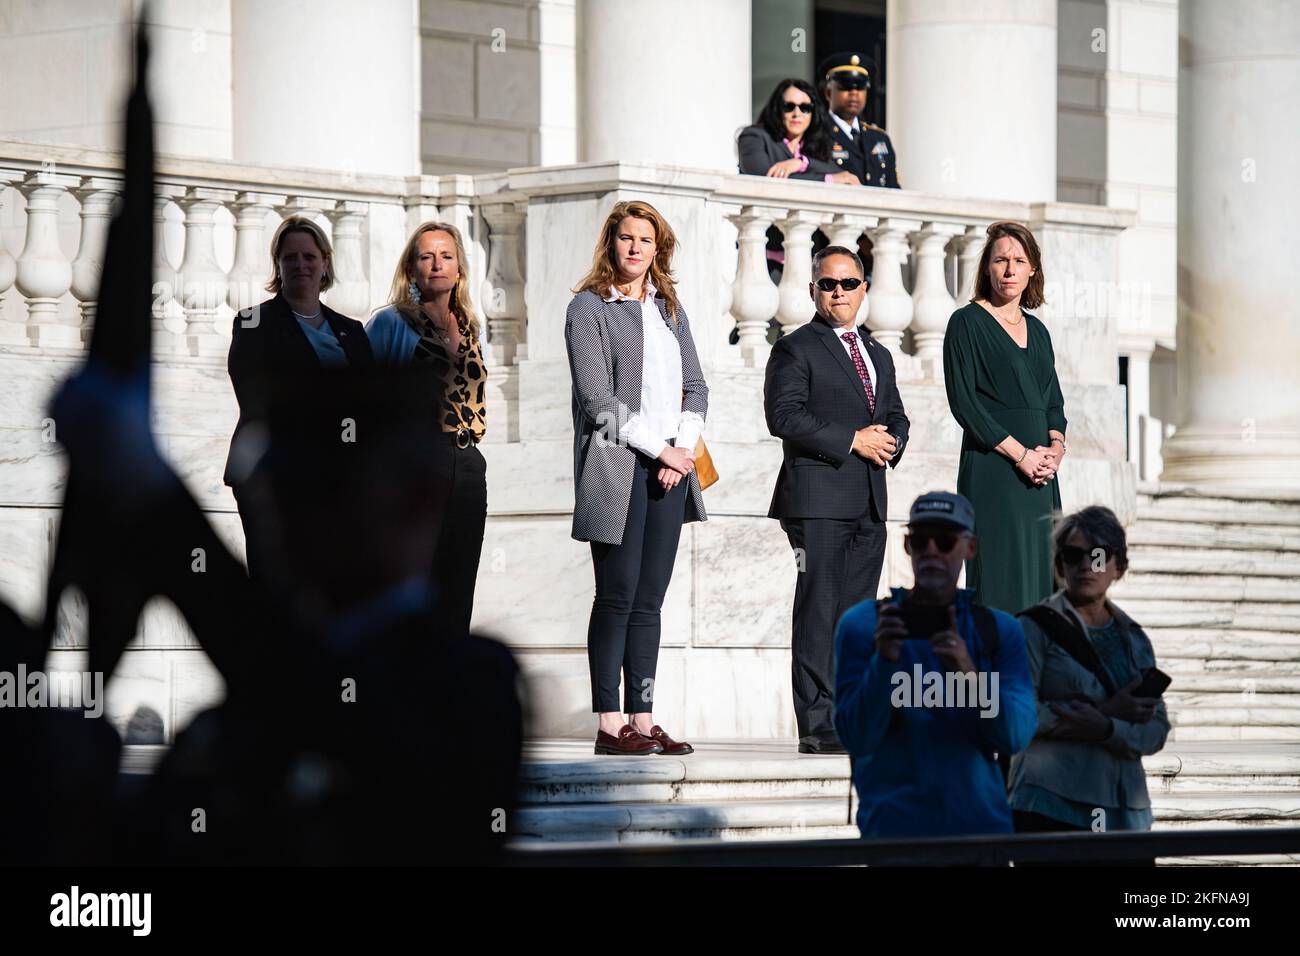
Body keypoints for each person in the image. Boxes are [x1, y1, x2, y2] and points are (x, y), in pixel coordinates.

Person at [565, 200, 707, 757]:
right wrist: (662, 450)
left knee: (650, 600)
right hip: (617, 467)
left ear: (658, 248)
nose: (634, 248)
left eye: (645, 240)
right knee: (617, 595)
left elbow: (696, 385)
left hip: (670, 473)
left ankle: (643, 721)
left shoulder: (670, 307)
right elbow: (597, 399)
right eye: (625, 238)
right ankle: (609, 722)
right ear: (611, 243)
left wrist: (684, 451)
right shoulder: (589, 307)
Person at [764, 245, 910, 754]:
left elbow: (895, 414)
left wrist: (892, 439)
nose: (840, 293)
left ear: (864, 289)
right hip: (818, 500)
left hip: (870, 500)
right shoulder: (795, 348)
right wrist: (854, 439)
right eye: (829, 284)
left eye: (849, 283)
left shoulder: (879, 353)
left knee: (857, 619)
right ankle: (818, 725)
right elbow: (784, 417)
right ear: (813, 290)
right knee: (819, 610)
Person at [833, 492, 1037, 838]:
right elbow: (856, 737)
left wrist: (970, 675)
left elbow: (1016, 736)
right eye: (920, 540)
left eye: (944, 541)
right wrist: (884, 662)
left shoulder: (999, 630)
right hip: (895, 836)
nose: (931, 551)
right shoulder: (863, 625)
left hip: (981, 835)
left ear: (969, 548)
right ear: (908, 546)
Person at [1009, 506, 1169, 854]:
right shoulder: (1032, 628)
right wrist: (1106, 710)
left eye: (1098, 555)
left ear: (1118, 567)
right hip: (1051, 804)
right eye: (1073, 555)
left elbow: (1157, 729)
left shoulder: (1135, 639)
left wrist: (1106, 727)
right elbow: (1015, 713)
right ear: (1060, 564)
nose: (1086, 565)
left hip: (1124, 813)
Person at [224, 215, 375, 580]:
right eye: (290, 257)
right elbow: (258, 397)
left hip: (339, 482)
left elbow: (371, 402)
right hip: (273, 477)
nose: (300, 265)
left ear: (325, 262)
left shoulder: (351, 331)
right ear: (278, 263)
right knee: (278, 590)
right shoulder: (252, 322)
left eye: (309, 256)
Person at [366, 221, 488, 638]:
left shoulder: (471, 325)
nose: (437, 264)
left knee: (458, 588)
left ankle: (448, 692)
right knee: (413, 586)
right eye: (426, 256)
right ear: (412, 269)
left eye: (446, 255)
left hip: (467, 462)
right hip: (415, 463)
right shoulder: (389, 323)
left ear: (459, 269)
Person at [942, 220, 1067, 615]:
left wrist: (1055, 451)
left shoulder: (1039, 331)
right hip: (994, 471)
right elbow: (965, 405)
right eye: (1001, 260)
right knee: (999, 582)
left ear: (1033, 269)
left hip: (1042, 478)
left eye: (1019, 260)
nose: (1010, 269)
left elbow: (1054, 403)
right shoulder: (965, 323)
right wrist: (1021, 456)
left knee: (1045, 582)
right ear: (987, 268)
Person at [738, 78, 858, 186]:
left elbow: (841, 174)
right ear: (777, 109)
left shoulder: (816, 144)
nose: (797, 114)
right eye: (789, 106)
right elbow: (765, 179)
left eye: (805, 108)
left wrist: (801, 163)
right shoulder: (754, 137)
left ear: (813, 113)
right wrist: (828, 179)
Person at [818, 52, 900, 188]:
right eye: (846, 86)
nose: (854, 93)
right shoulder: (817, 133)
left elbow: (893, 188)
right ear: (828, 93)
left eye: (860, 87)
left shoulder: (879, 138)